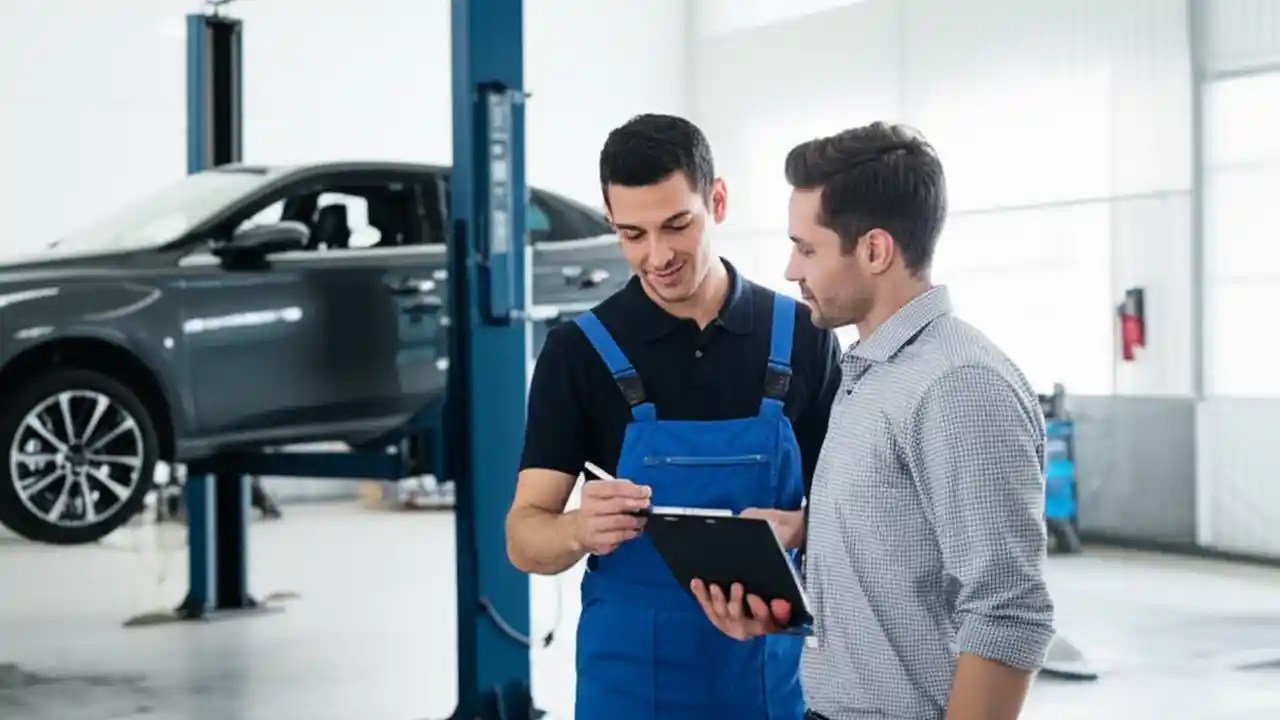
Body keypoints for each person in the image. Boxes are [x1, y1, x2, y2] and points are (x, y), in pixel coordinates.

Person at [690, 122, 1056, 720]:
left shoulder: (958, 385)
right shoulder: (875, 372)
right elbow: (908, 526)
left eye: (806, 248)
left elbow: (1008, 609)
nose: (789, 269)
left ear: (875, 250)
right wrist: (806, 533)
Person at [505, 113, 842, 720]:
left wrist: (798, 528)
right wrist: (579, 528)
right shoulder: (578, 353)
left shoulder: (804, 340)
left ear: (717, 200)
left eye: (676, 225)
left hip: (768, 684)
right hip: (629, 687)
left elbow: (850, 522)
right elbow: (525, 538)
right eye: (631, 234)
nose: (656, 256)